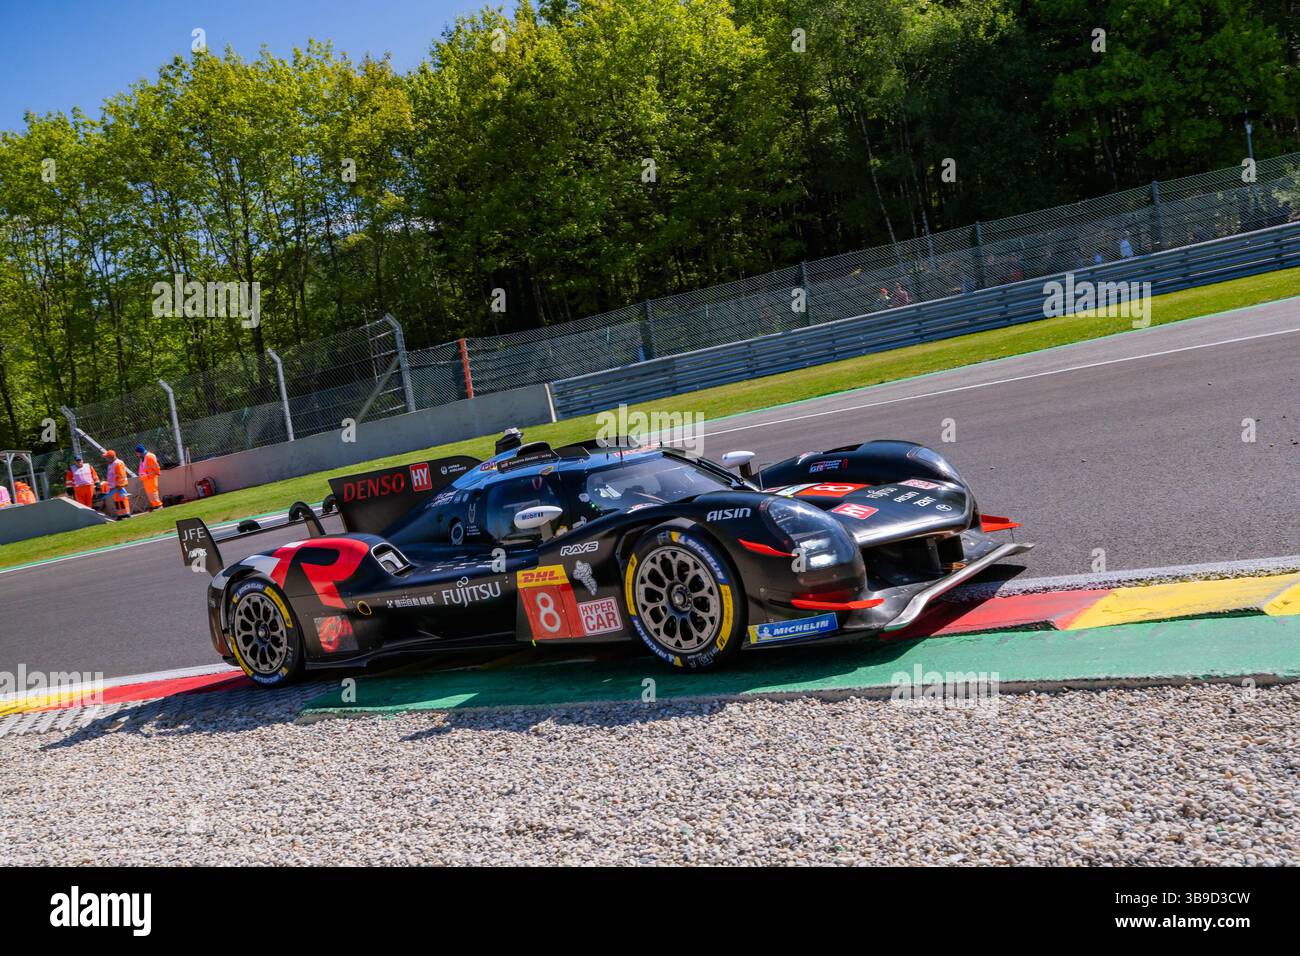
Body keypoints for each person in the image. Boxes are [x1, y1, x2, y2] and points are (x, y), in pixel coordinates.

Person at [103, 449, 131, 519]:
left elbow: (121, 475)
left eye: (107, 457)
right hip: (114, 486)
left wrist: (120, 485)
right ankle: (120, 514)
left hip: (119, 486)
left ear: (111, 457)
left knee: (122, 499)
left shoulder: (118, 463)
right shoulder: (111, 464)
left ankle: (126, 513)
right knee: (117, 501)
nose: (106, 459)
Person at [136, 444, 163, 510]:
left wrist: (157, 472)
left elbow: (155, 466)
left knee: (153, 491)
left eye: (137, 453)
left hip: (151, 476)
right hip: (146, 478)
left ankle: (158, 505)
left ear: (140, 452)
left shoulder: (149, 456)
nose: (136, 455)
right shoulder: (143, 457)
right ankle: (154, 505)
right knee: (150, 492)